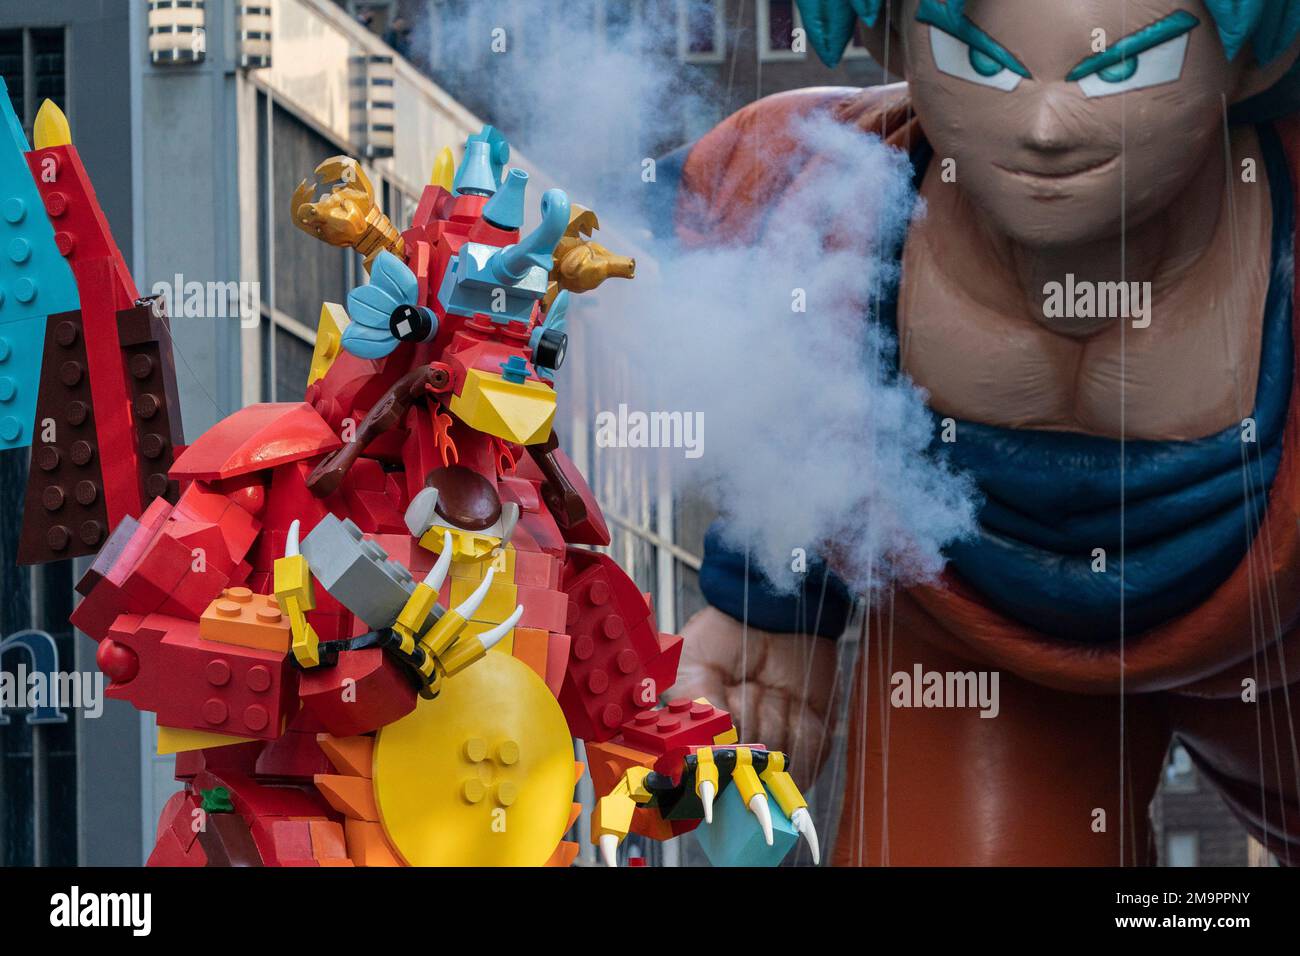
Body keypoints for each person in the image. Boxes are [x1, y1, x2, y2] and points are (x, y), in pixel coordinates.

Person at [665, 0, 1300, 865]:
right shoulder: (804, 190)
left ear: (1255, 60)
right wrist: (771, 602)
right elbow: (793, 366)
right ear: (892, 41)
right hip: (983, 653)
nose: (1043, 129)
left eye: (1125, 67)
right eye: (980, 62)